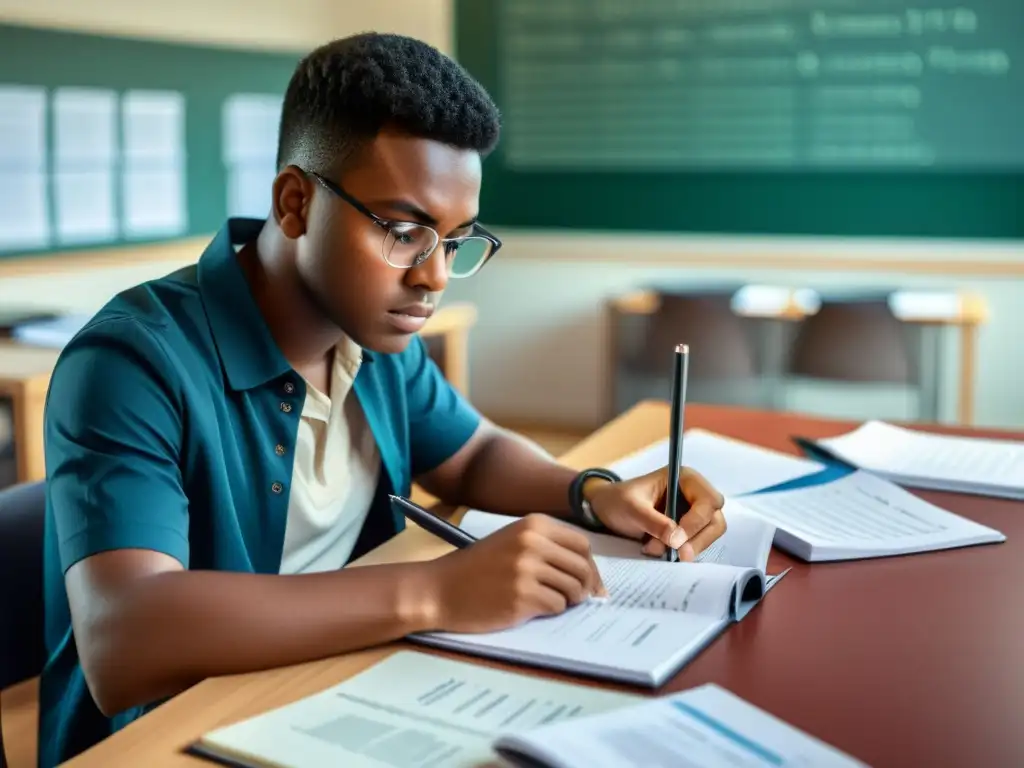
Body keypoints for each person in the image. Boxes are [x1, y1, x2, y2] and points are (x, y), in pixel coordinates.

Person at [38, 32, 727, 766]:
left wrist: (592, 493)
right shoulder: (131, 362)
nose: (434, 276)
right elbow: (125, 638)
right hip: (173, 736)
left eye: (455, 241)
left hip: (344, 685)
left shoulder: (373, 335)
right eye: (404, 232)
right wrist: (436, 592)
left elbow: (472, 453)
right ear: (296, 203)